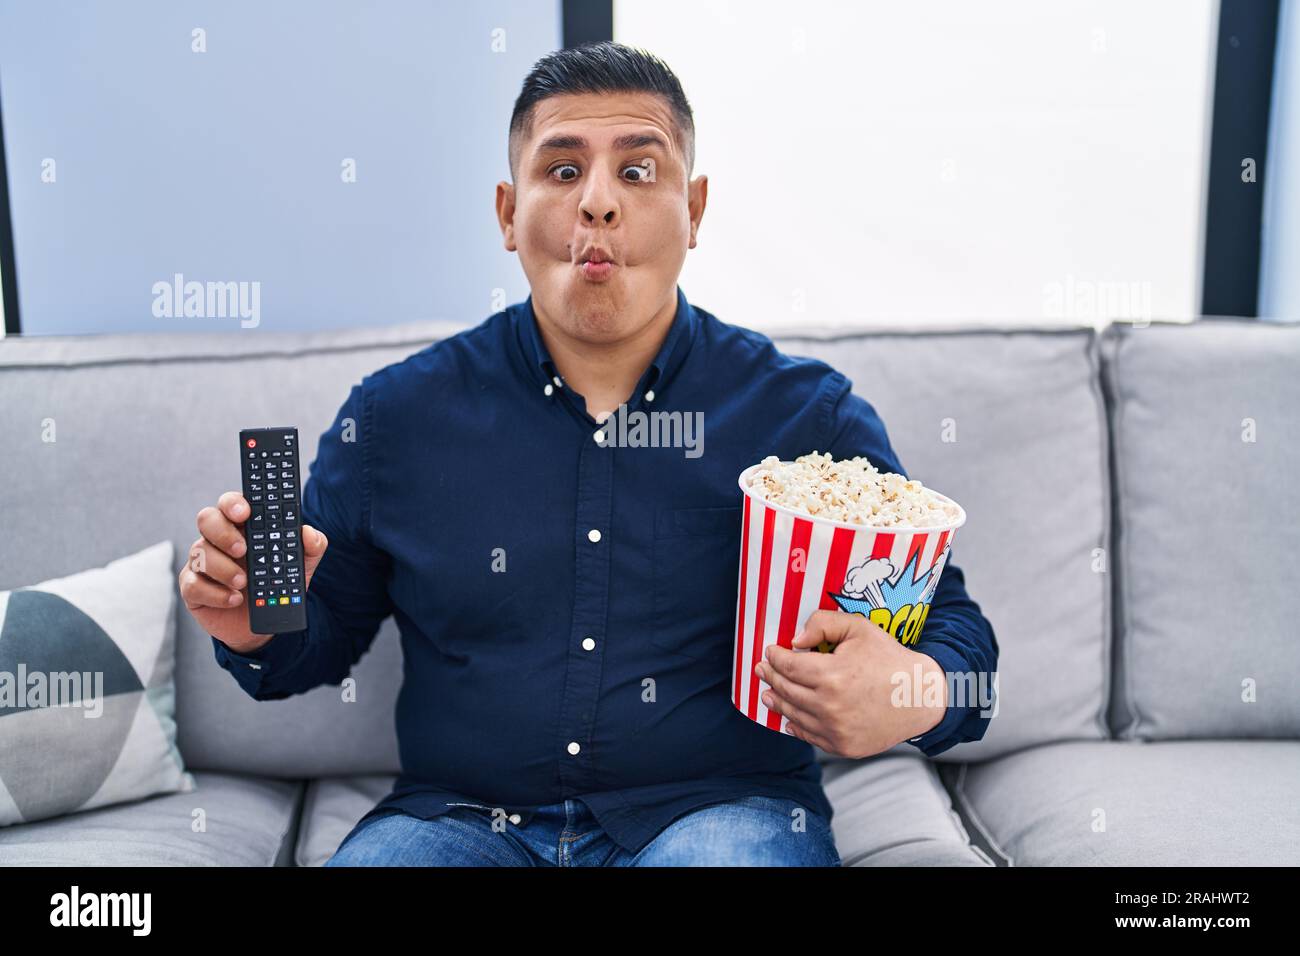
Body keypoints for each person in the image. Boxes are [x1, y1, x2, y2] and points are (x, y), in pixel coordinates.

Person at [178, 41, 997, 867]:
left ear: (696, 210)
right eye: (563, 172)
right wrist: (253, 626)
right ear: (507, 212)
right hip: (458, 821)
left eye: (638, 171)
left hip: (718, 815)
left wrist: (907, 691)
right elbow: (312, 643)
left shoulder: (803, 415)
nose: (598, 203)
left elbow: (960, 639)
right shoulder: (394, 417)